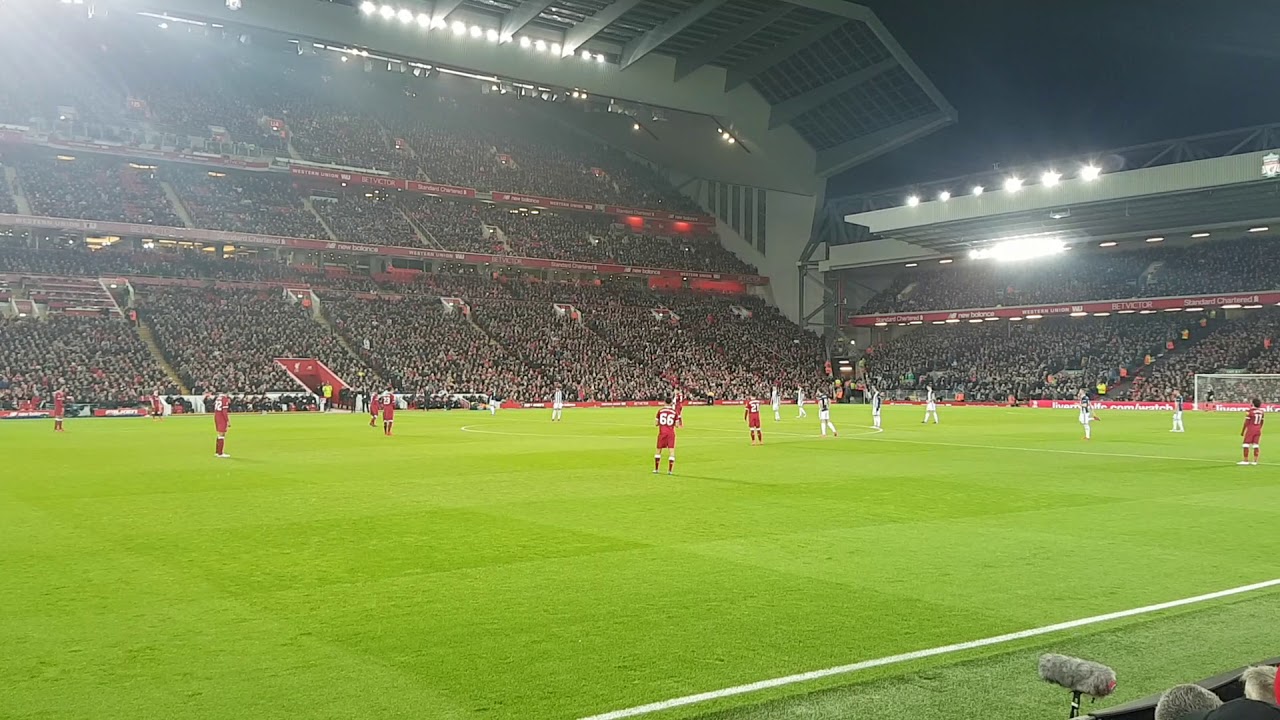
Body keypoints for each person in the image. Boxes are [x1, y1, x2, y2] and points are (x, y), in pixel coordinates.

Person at [1239, 397, 1264, 466]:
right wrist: (1259, 428)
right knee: (1256, 444)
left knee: (1246, 444)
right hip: (1258, 429)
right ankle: (1255, 461)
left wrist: (1243, 431)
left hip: (1251, 429)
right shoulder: (1262, 412)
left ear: (1252, 403)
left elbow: (1246, 422)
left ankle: (1246, 460)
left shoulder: (1249, 411)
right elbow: (1262, 422)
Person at [654, 402, 677, 475]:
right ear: (671, 403)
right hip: (670, 433)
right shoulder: (674, 412)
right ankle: (670, 471)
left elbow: (656, 423)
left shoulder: (660, 411)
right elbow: (676, 425)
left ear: (664, 402)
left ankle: (656, 469)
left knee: (658, 451)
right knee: (671, 451)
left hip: (662, 433)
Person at [213, 390, 231, 458]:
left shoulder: (218, 398)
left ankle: (217, 451)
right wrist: (227, 421)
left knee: (219, 434)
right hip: (221, 417)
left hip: (216, 416)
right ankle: (220, 453)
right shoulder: (224, 399)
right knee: (222, 434)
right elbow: (224, 411)